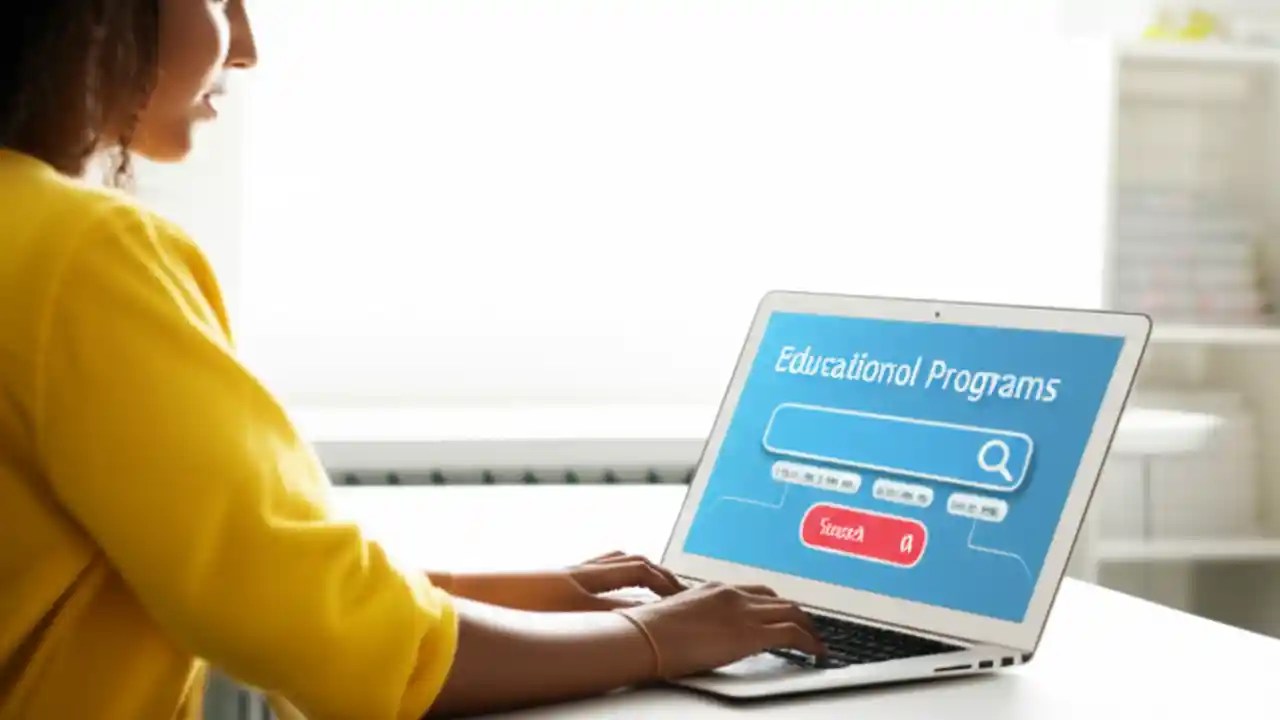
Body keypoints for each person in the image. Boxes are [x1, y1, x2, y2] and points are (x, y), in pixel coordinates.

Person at [0, 1, 826, 718]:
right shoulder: (84, 254)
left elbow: (256, 572)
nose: (244, 45)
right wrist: (649, 636)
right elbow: (316, 632)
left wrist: (509, 594)